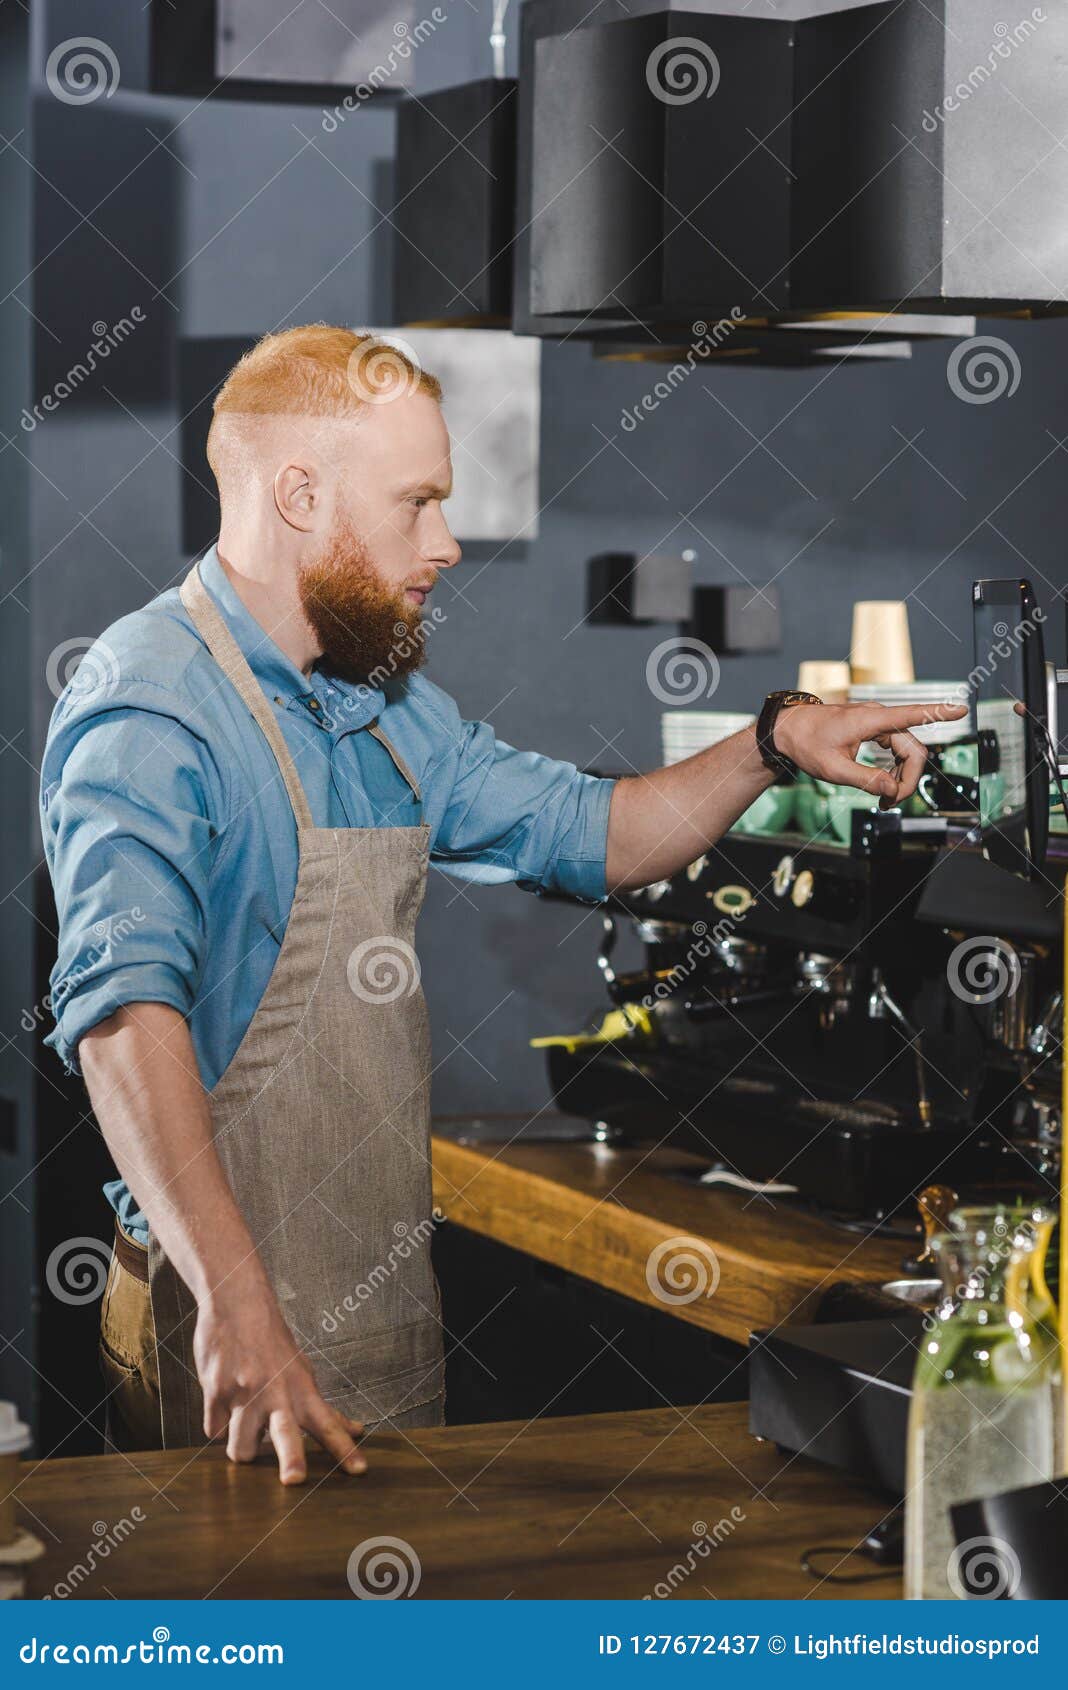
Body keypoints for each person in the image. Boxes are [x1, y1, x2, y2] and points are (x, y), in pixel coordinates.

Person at [40, 324, 965, 1483]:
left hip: (374, 1304)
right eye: (417, 501)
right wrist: (237, 1305)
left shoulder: (384, 703)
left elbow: (602, 835)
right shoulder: (152, 708)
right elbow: (123, 1019)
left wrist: (774, 742)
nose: (449, 540)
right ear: (299, 493)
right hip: (221, 1318)